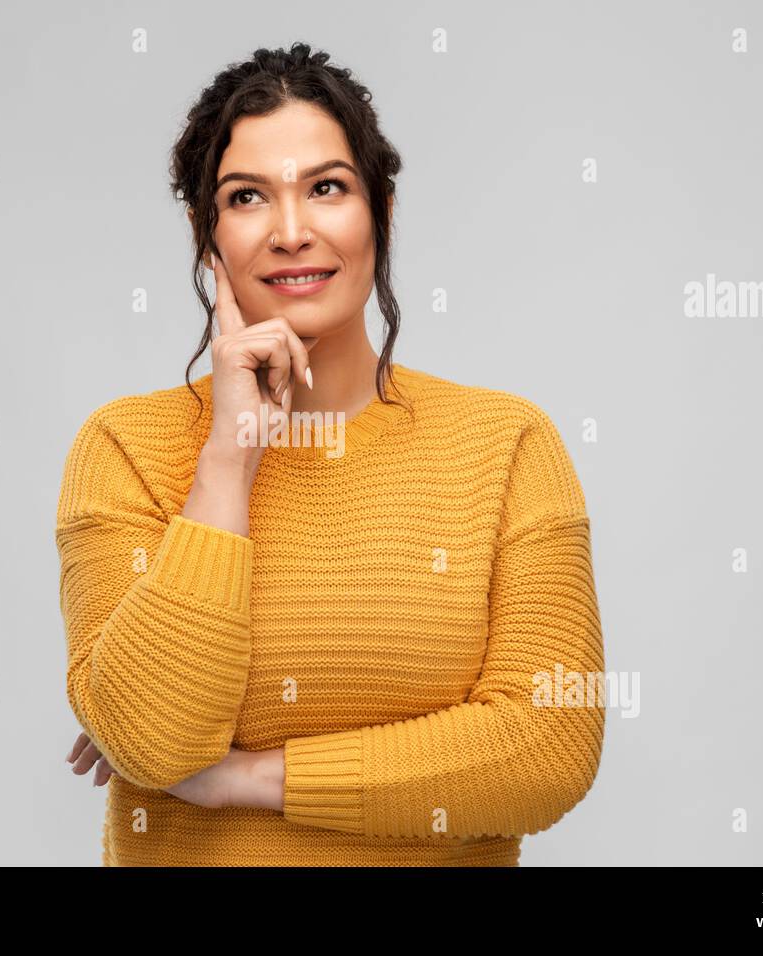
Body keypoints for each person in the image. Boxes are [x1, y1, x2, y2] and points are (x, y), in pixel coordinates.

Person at [57, 42, 604, 866]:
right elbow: (153, 739)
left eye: (326, 188)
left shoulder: (507, 445)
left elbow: (545, 749)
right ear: (207, 233)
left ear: (380, 211)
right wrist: (229, 461)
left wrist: (245, 776)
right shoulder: (126, 449)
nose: (291, 231)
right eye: (247, 197)